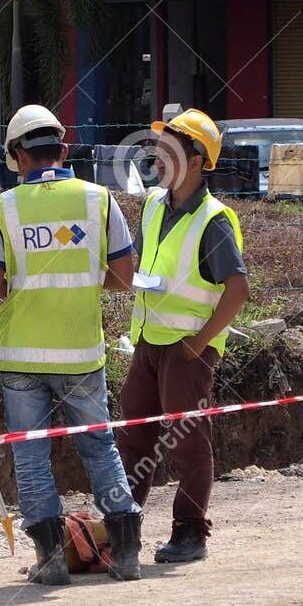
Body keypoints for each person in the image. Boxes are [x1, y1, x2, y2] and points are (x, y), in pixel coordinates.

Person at [0, 105, 143, 584]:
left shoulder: (4, 207)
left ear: (17, 156)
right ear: (64, 150)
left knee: (31, 457)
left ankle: (51, 562)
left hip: (22, 355)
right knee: (100, 448)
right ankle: (127, 555)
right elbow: (122, 277)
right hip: (80, 352)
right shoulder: (99, 200)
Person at [117, 108, 249, 565]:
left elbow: (238, 290)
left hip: (188, 347)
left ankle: (191, 532)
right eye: (160, 146)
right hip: (149, 342)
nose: (159, 155)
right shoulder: (155, 204)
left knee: (187, 442)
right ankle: (123, 526)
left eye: (171, 148)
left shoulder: (213, 219)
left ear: (196, 161)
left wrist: (202, 341)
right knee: (134, 435)